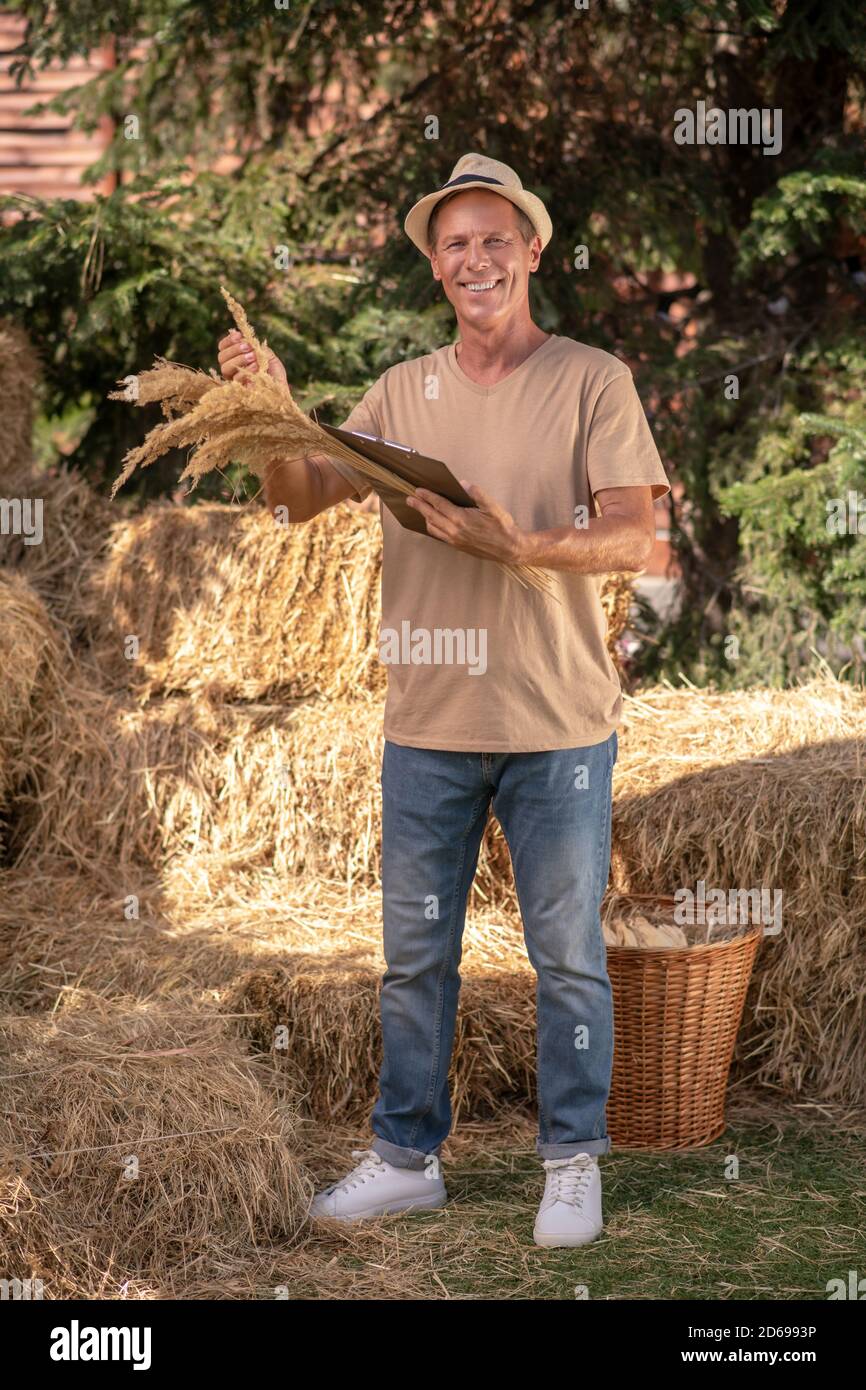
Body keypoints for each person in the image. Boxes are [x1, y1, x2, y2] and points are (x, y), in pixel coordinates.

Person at [218, 152, 670, 1247]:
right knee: (416, 955)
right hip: (425, 726)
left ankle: (569, 1161)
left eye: (492, 238)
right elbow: (296, 505)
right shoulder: (397, 393)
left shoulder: (589, 378)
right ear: (436, 266)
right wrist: (270, 416)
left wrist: (519, 542)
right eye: (453, 244)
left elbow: (638, 534)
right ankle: (405, 1156)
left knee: (562, 951)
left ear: (528, 250)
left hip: (556, 722)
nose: (474, 258)